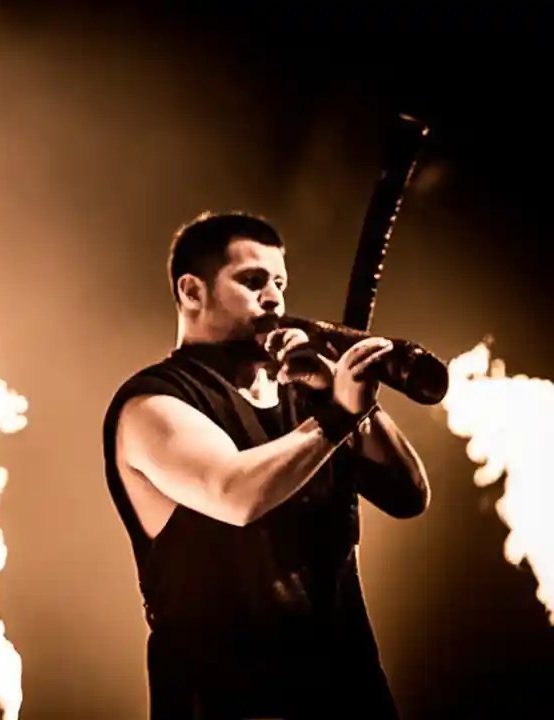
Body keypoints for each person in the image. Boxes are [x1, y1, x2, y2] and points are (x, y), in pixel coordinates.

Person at [103, 211, 430, 718]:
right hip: (229, 703)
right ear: (192, 291)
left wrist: (351, 404)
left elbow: (409, 495)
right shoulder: (153, 404)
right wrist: (339, 415)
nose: (274, 299)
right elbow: (236, 494)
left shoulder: (308, 400)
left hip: (350, 694)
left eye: (279, 283)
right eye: (252, 281)